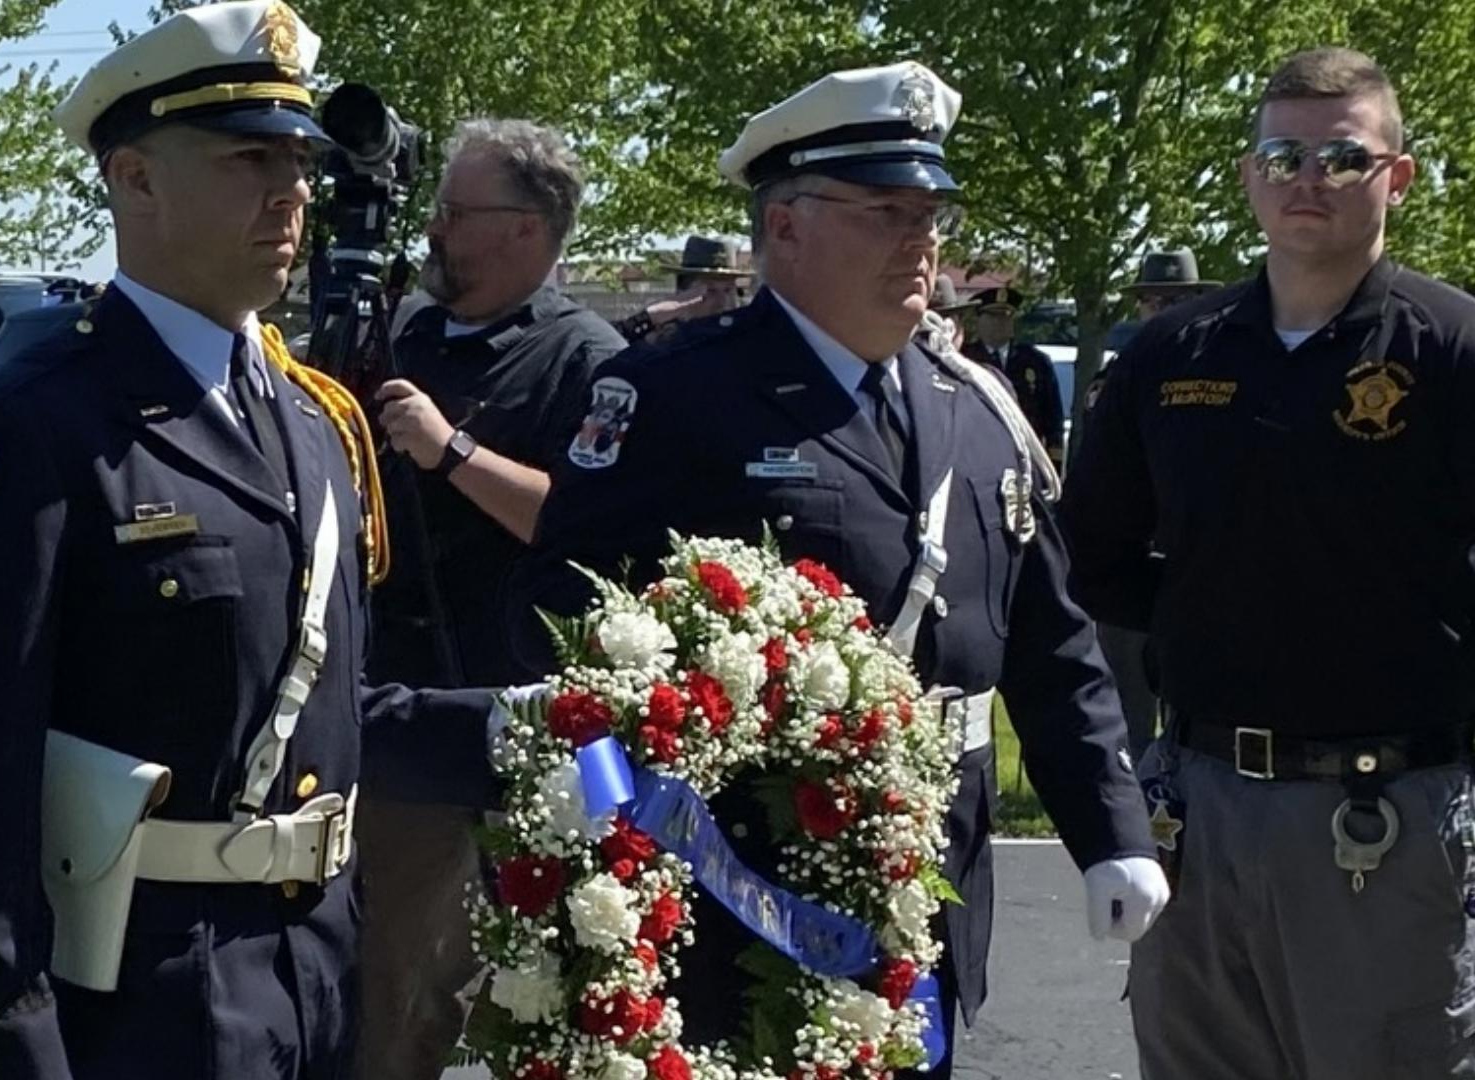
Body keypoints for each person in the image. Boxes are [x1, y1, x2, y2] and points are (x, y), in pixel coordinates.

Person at [0, 5, 501, 1078]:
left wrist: (540, 728)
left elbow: (321, 713)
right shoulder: (33, 430)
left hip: (317, 987)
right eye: (248, 159)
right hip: (141, 1010)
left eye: (300, 162)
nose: (293, 191)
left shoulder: (314, 423)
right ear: (135, 180)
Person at [523, 62, 1165, 1071]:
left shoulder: (975, 410)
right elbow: (563, 628)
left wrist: (1110, 831)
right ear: (785, 227)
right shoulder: (675, 397)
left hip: (936, 881)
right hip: (738, 888)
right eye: (885, 212)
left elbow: (1051, 644)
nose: (921, 241)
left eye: (931, 215)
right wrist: (608, 849)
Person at [1062, 48, 1475, 1079]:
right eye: (1284, 156)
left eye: (1343, 157)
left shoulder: (1451, 347)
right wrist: (1214, 616)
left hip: (1389, 808)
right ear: (1250, 175)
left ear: (1397, 177)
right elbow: (1092, 555)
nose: (1309, 179)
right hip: (1197, 805)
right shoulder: (1174, 355)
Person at [359, 118, 625, 1080]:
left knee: (559, 994)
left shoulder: (588, 359)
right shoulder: (398, 334)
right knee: (388, 1001)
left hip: (519, 718)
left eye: (457, 212)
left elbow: (582, 524)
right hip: (394, 710)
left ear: (527, 228)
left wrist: (453, 453)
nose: (435, 229)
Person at [1082, 249, 1221, 758]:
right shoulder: (1119, 380)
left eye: (1176, 300)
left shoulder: (1225, 377)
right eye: (1153, 301)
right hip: (1133, 571)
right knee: (1129, 712)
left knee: (1201, 720)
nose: (1163, 311)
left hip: (1200, 568)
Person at [961, 285, 1063, 460]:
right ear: (979, 320)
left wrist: (1054, 463)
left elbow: (1053, 420)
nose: (1001, 322)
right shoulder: (964, 359)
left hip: (1025, 458)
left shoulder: (1036, 362)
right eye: (993, 315)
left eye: (1007, 316)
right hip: (978, 457)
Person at [612, 235, 752, 346]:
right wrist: (649, 317)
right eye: (710, 291)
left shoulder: (747, 340)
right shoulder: (664, 342)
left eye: (728, 290)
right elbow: (611, 346)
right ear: (683, 294)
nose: (722, 302)